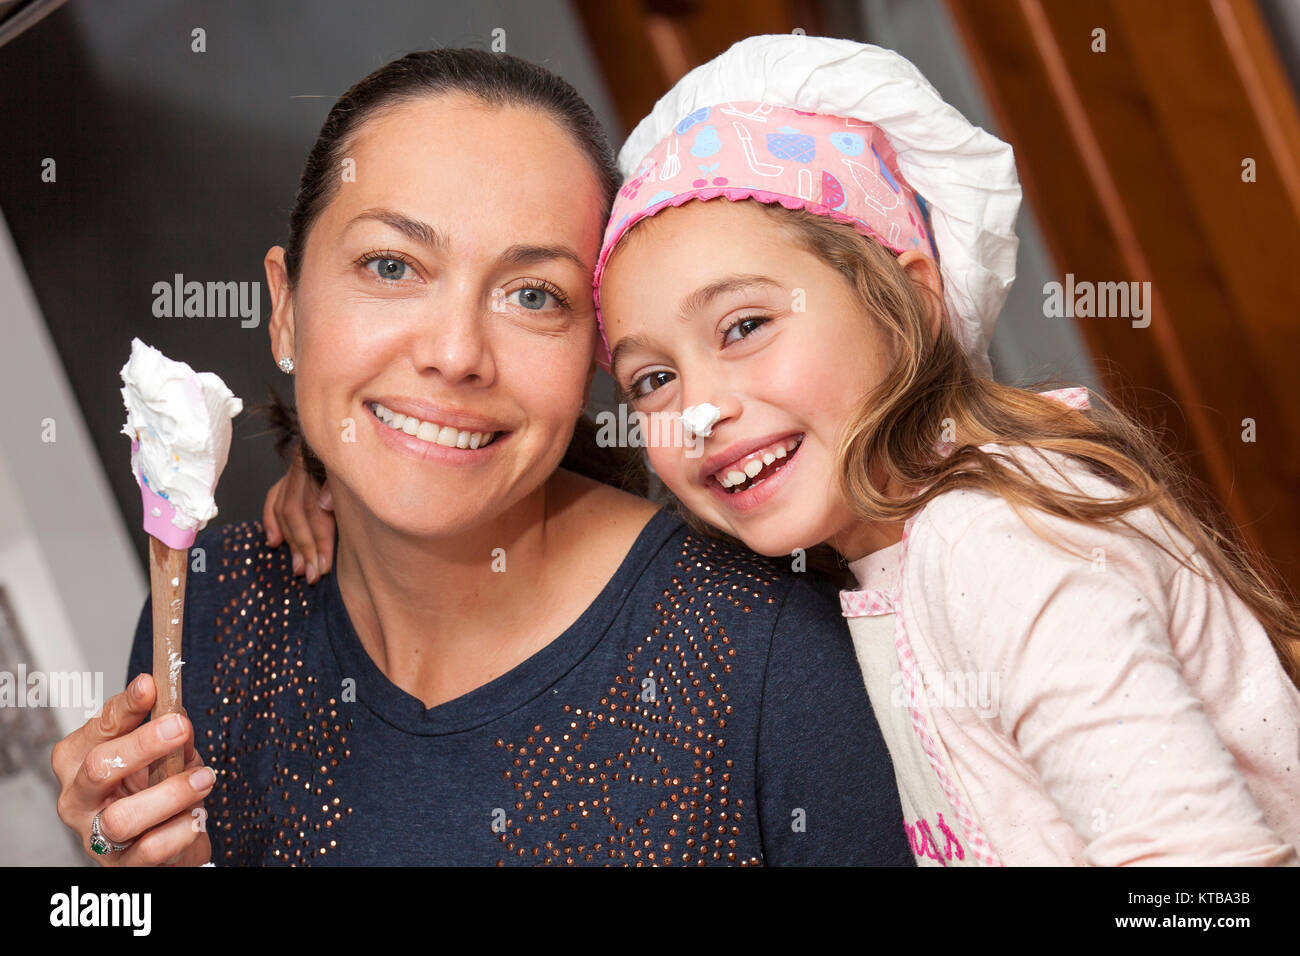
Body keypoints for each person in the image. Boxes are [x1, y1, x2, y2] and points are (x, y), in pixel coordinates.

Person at [275, 35, 1300, 867]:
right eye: (652, 379)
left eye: (745, 326)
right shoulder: (858, 554)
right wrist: (346, 481)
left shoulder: (997, 545)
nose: (704, 410)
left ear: (910, 301)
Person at [51, 48, 912, 867]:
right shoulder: (211, 611)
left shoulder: (761, 651)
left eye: (534, 294)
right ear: (284, 308)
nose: (457, 352)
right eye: (392, 266)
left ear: (593, 360)